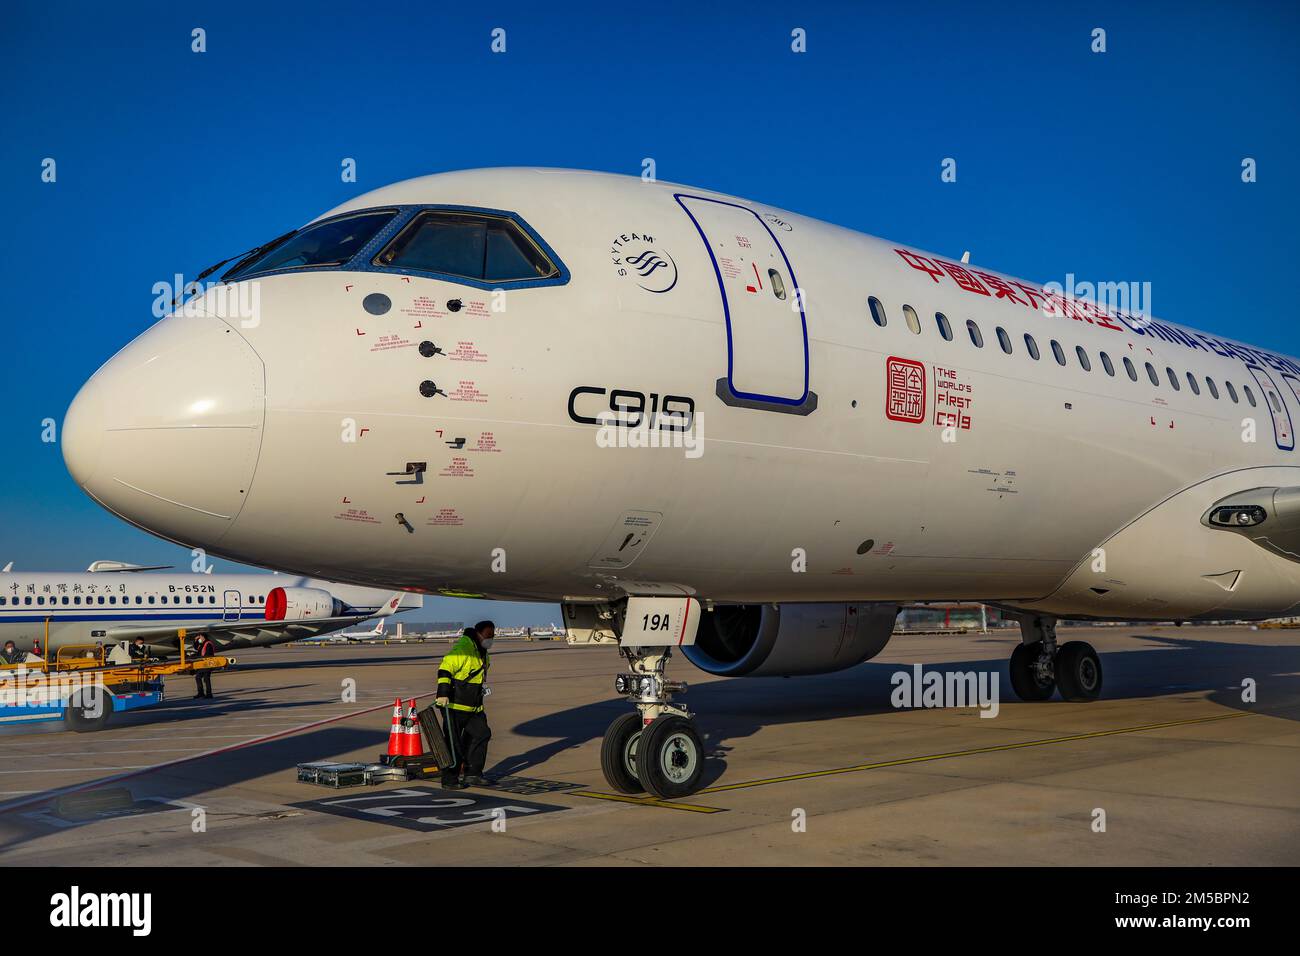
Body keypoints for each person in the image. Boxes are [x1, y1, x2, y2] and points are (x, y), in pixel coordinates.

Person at [434, 621, 494, 789]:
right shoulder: (463, 649)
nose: (491, 638)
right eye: (488, 635)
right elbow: (445, 669)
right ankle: (449, 780)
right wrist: (443, 693)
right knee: (453, 745)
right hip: (454, 707)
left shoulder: (482, 652)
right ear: (478, 633)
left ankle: (473, 774)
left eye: (492, 635)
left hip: (474, 708)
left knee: (482, 734)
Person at [193, 634, 216, 699]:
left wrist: (200, 658)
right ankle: (201, 693)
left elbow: (208, 654)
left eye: (200, 637)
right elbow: (196, 647)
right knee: (198, 677)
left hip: (207, 664)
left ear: (203, 637)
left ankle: (209, 694)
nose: (200, 638)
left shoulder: (208, 643)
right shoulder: (202, 643)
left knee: (206, 679)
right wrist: (196, 640)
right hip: (202, 664)